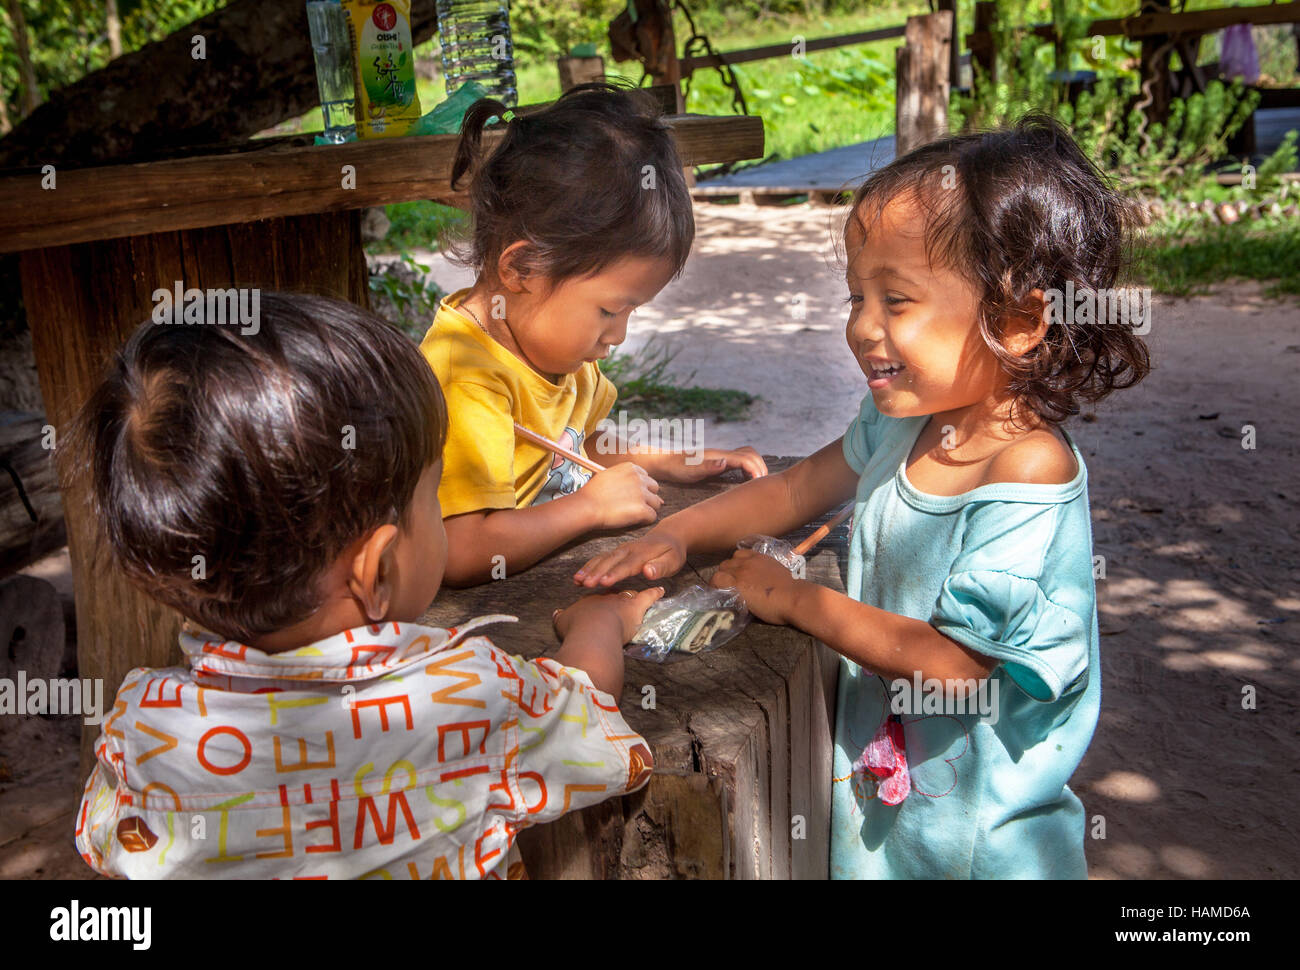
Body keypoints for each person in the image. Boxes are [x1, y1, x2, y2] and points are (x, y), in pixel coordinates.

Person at [574, 115, 1151, 879]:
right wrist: (684, 534)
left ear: (1015, 319)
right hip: (889, 830)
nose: (861, 328)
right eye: (856, 297)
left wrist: (792, 599)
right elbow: (796, 487)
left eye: (897, 301)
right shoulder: (902, 425)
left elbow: (952, 667)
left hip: (984, 853)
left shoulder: (1028, 475)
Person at [66, 292, 663, 879]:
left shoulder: (142, 726)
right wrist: (600, 624)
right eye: (432, 495)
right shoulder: (472, 698)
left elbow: (107, 845)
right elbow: (595, 719)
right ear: (376, 571)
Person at [422, 83, 766, 587]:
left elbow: (576, 443)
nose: (619, 336)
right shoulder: (466, 378)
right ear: (522, 267)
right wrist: (588, 509)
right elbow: (462, 551)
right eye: (609, 310)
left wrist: (674, 460)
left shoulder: (556, 351)